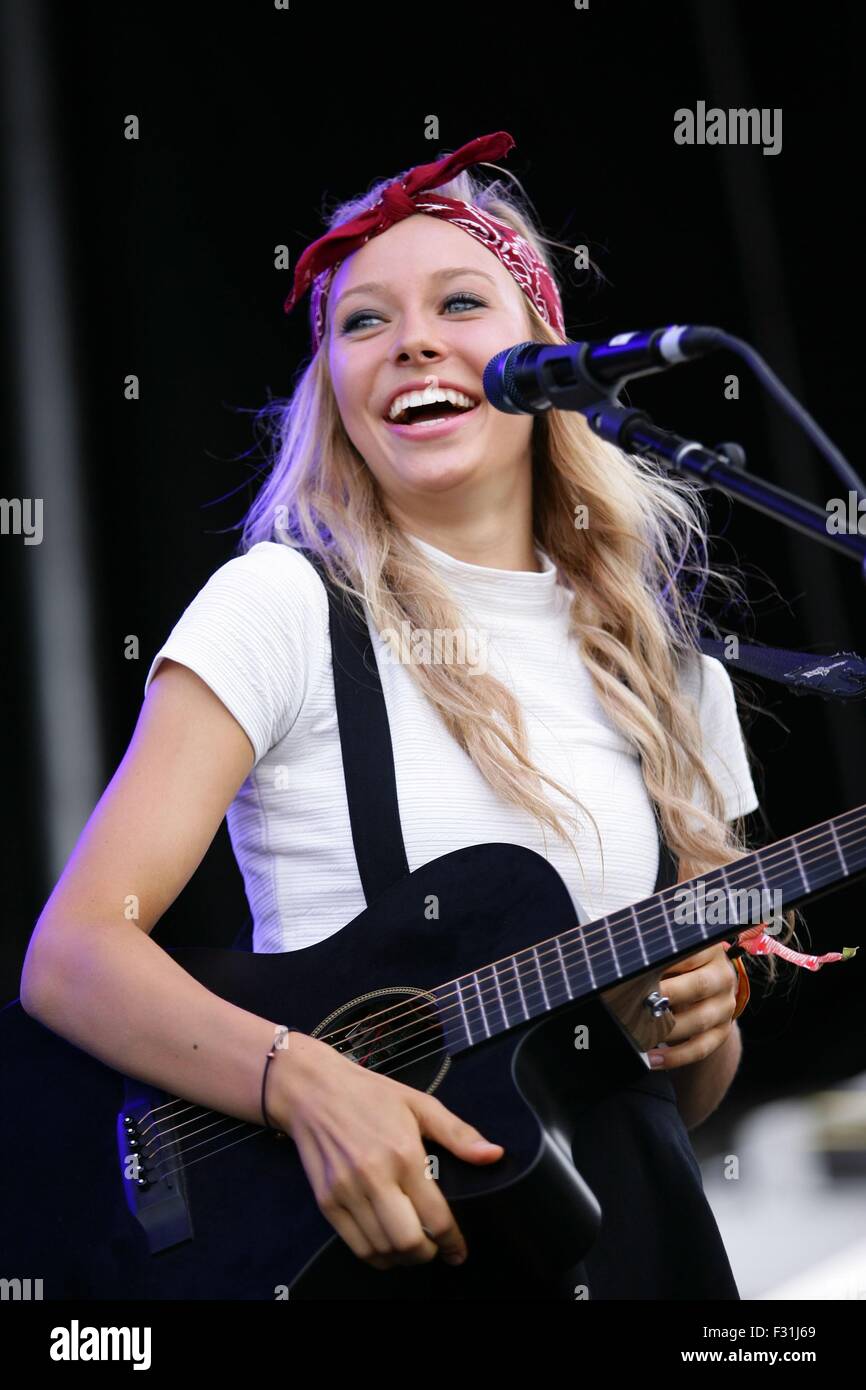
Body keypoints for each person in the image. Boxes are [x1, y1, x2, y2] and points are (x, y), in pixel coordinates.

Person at [20, 131, 793, 1300]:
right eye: (361, 322)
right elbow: (73, 955)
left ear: (546, 359)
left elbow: (663, 1100)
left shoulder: (671, 669)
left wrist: (696, 1021)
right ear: (330, 382)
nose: (412, 340)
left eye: (459, 302)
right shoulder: (281, 605)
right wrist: (299, 1077)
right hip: (378, 1255)